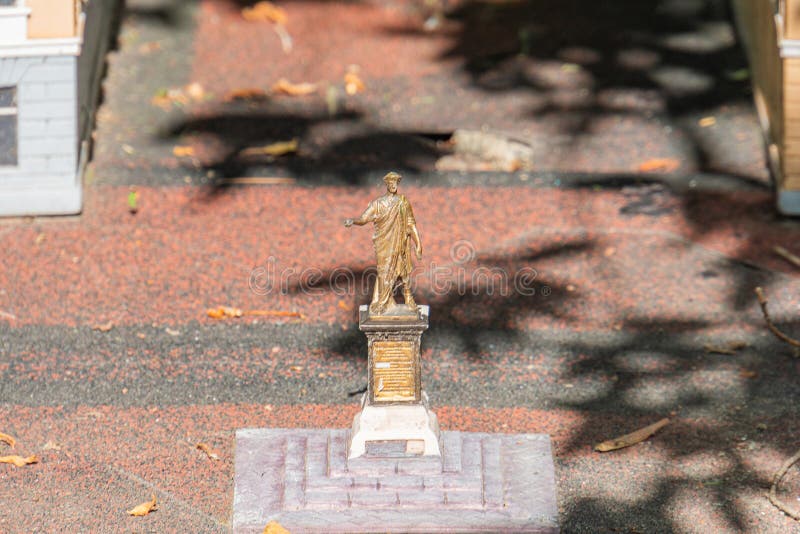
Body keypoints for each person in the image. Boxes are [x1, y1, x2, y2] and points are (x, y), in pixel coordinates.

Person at [344, 172, 422, 315]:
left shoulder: (402, 202)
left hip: (399, 242)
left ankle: (408, 298)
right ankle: (382, 302)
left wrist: (418, 244)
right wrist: (353, 221)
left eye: (395, 183)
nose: (393, 185)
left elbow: (411, 224)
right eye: (391, 183)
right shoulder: (378, 204)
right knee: (383, 271)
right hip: (383, 243)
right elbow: (364, 218)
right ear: (386, 184)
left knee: (403, 270)